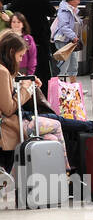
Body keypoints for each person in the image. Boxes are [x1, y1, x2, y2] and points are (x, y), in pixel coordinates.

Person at [0, 31, 72, 175]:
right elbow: (8, 108)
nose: (20, 60)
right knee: (57, 124)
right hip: (9, 123)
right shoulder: (2, 72)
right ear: (11, 51)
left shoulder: (5, 70)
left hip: (14, 120)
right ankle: (65, 173)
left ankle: (55, 176)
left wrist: (27, 84)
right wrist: (26, 88)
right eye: (20, 56)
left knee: (50, 138)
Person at [10, 0, 57, 91]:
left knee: (23, 71)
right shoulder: (42, 1)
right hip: (41, 43)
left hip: (22, 42)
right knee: (43, 72)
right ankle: (43, 97)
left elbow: (11, 12)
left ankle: (24, 96)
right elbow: (52, 12)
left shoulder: (18, 2)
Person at [52, 0, 83, 79]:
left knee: (73, 63)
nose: (79, 2)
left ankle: (73, 86)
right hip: (63, 40)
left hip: (70, 41)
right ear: (71, 0)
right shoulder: (64, 11)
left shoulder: (71, 10)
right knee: (64, 63)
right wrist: (73, 36)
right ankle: (59, 84)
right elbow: (64, 27)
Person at [5, 12, 38, 77]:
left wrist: (30, 73)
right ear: (10, 23)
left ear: (23, 24)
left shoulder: (29, 38)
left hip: (23, 71)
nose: (16, 24)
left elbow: (32, 57)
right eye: (13, 22)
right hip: (8, 70)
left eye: (19, 22)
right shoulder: (6, 38)